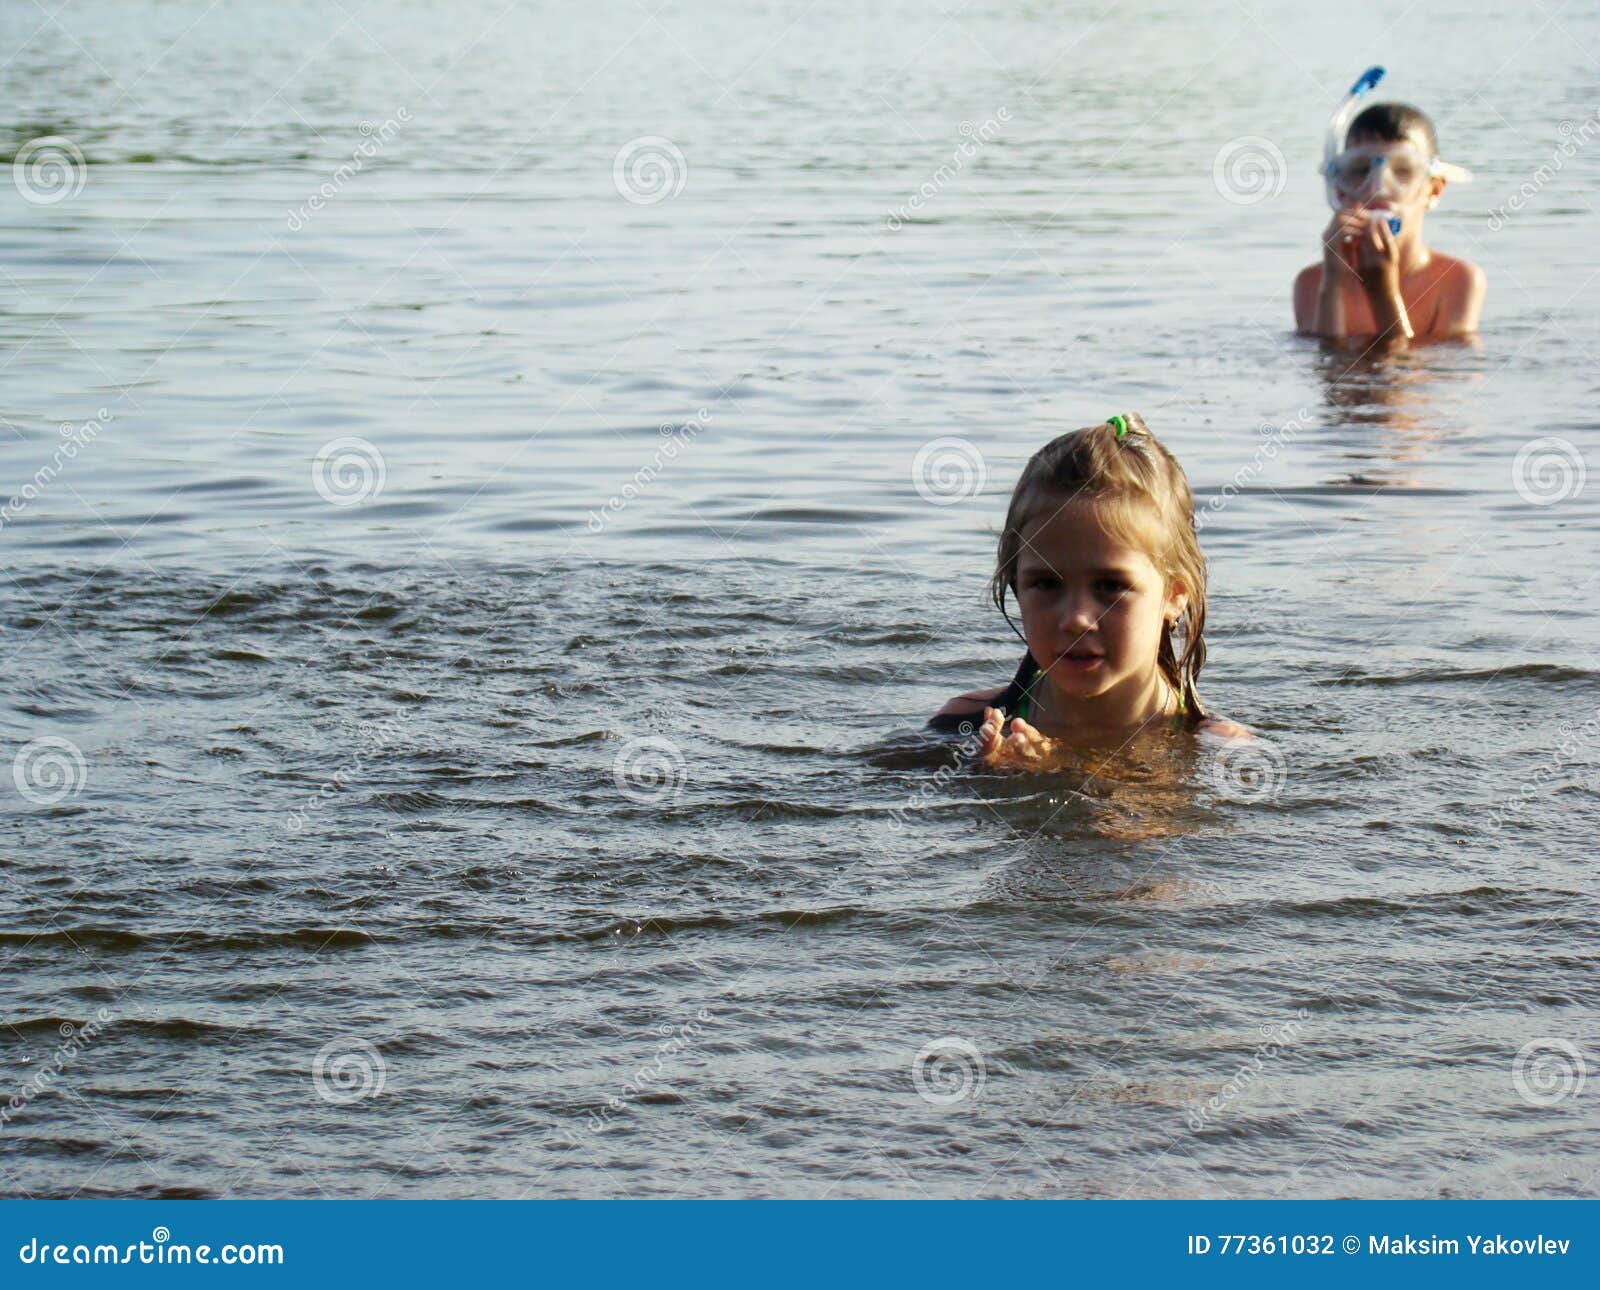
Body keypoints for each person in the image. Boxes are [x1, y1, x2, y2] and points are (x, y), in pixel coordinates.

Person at [931, 414, 1247, 770]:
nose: (1076, 618)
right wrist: (984, 778)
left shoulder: (1220, 752)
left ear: (1175, 595)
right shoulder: (963, 726)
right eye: (1047, 584)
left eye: (1111, 586)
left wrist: (1064, 773)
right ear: (1015, 582)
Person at [1293, 102, 1485, 341]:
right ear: (1339, 190)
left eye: (1402, 170)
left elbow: (1409, 373)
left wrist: (1382, 292)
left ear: (1434, 190)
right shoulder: (1312, 283)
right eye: (1361, 170)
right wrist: (1333, 284)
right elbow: (1326, 368)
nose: (1379, 189)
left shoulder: (1458, 280)